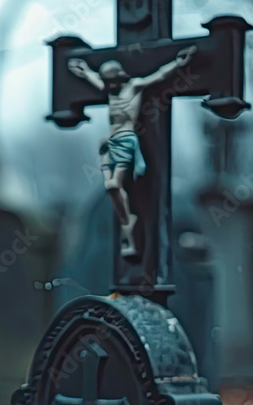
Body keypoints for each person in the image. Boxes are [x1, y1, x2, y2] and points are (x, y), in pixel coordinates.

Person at [67, 45, 197, 257]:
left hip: (127, 140)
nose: (109, 86)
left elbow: (159, 75)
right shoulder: (110, 91)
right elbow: (92, 78)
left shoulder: (134, 87)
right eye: (107, 82)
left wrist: (179, 62)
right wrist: (80, 68)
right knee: (111, 186)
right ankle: (128, 223)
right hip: (112, 141)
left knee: (123, 183)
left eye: (112, 81)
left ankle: (131, 231)